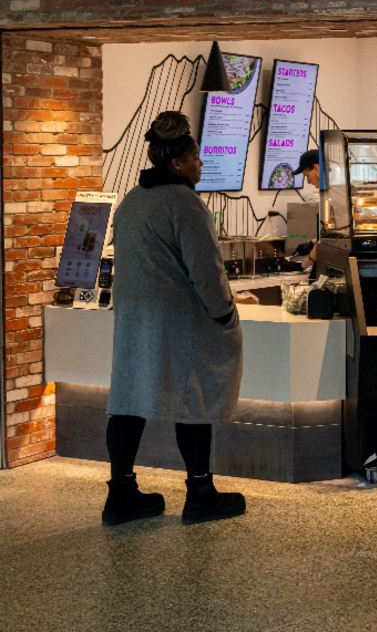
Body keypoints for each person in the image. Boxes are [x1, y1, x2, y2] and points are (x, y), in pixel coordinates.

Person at [103, 111, 246, 526]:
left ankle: (121, 495)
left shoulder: (132, 200)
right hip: (182, 324)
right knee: (194, 401)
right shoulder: (186, 203)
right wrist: (223, 314)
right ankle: (200, 493)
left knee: (128, 403)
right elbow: (207, 271)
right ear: (179, 163)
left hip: (134, 322)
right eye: (197, 158)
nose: (201, 165)